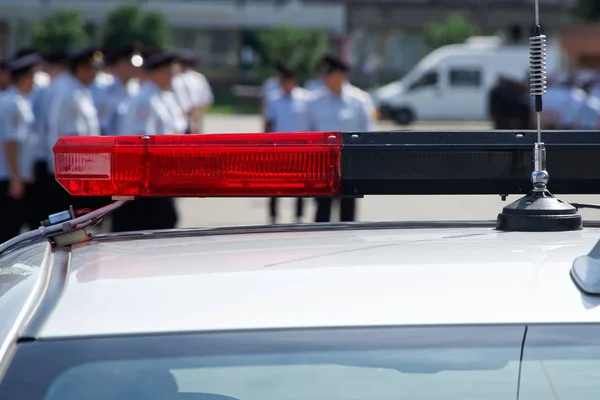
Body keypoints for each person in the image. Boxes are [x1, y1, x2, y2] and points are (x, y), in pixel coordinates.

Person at [112, 51, 182, 233]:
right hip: (145, 177)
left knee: (163, 222)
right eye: (170, 72)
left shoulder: (161, 97)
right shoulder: (146, 100)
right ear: (158, 73)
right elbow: (144, 142)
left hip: (157, 175)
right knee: (150, 225)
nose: (173, 78)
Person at [306, 55, 374, 223]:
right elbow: (308, 133)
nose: (324, 79)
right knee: (322, 211)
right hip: (322, 164)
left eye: (328, 75)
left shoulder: (359, 100)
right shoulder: (315, 101)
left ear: (340, 75)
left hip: (349, 164)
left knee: (347, 213)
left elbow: (369, 134)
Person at [45, 46, 103, 215]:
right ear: (81, 69)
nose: (95, 73)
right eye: (92, 69)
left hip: (79, 169)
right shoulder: (67, 92)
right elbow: (69, 136)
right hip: (69, 171)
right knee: (68, 223)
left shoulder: (79, 90)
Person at [263, 66, 310, 224]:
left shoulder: (304, 98)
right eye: (284, 81)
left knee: (301, 182)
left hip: (299, 146)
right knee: (275, 182)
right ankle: (273, 214)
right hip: (278, 146)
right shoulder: (274, 98)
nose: (287, 84)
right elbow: (269, 122)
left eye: (289, 81)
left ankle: (299, 214)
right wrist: (266, 143)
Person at [0, 53, 38, 243]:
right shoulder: (12, 102)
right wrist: (16, 177)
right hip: (7, 176)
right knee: (8, 227)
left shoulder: (21, 101)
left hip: (15, 175)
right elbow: (10, 142)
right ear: (23, 78)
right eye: (32, 77)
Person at [27, 50, 67, 229]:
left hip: (45, 157)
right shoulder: (54, 89)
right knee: (49, 214)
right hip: (47, 159)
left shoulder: (52, 88)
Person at [91, 44, 142, 135]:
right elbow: (101, 126)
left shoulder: (136, 91)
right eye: (129, 65)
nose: (134, 69)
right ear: (119, 66)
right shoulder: (103, 92)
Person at [172, 51, 213, 134]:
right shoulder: (199, 78)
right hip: (195, 116)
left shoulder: (176, 79)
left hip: (180, 117)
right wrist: (196, 117)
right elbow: (207, 100)